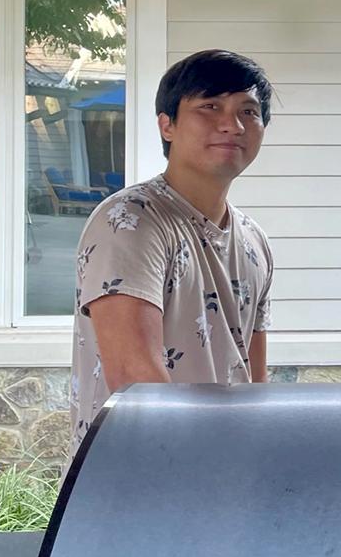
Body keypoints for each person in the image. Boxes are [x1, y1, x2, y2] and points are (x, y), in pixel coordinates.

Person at [68, 49, 275, 455]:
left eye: (248, 111)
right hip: (135, 476)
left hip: (225, 473)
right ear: (167, 125)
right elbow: (136, 382)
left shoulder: (254, 240)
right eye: (210, 107)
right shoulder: (130, 222)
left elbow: (253, 376)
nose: (231, 125)